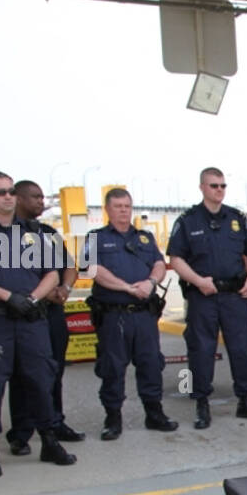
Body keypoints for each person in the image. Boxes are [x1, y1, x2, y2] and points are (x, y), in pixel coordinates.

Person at [0, 171, 77, 477]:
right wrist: (8, 296)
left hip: (32, 319)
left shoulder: (35, 232)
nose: (7, 196)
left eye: (10, 191)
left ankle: (49, 441)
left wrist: (33, 299)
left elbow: (53, 273)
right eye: (0, 192)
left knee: (41, 380)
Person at [167, 167, 247, 428]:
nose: (219, 190)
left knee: (241, 347)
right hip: (203, 296)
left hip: (235, 296)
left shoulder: (236, 219)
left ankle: (246, 400)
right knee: (202, 350)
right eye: (214, 186)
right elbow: (176, 259)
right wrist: (199, 281)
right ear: (202, 187)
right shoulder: (188, 221)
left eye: (223, 186)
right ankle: (202, 404)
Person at [83, 188, 178, 440]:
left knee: (150, 364)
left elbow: (159, 263)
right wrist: (126, 287)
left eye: (127, 206)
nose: (123, 210)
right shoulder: (96, 238)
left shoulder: (144, 238)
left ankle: (154, 413)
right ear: (107, 209)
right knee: (112, 366)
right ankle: (112, 417)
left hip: (144, 314)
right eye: (118, 206)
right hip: (114, 315)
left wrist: (150, 283)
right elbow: (91, 269)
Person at [6, 180, 84, 455]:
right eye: (35, 197)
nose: (41, 201)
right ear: (18, 199)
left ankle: (55, 423)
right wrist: (45, 292)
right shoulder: (6, 234)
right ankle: (21, 432)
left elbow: (69, 267)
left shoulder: (48, 233)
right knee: (22, 375)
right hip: (23, 316)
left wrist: (65, 288)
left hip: (51, 314)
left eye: (42, 197)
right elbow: (12, 279)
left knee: (53, 371)